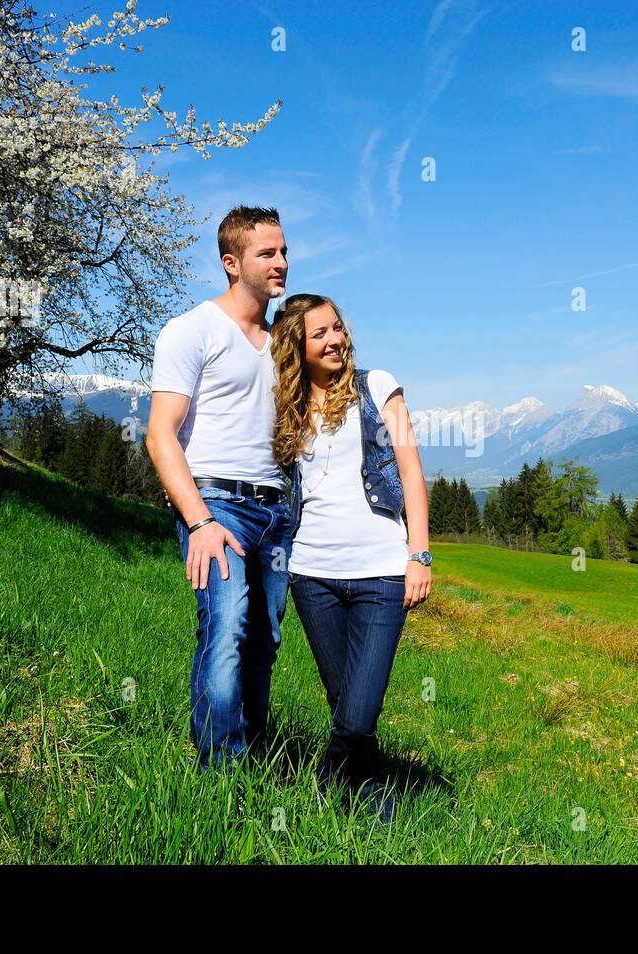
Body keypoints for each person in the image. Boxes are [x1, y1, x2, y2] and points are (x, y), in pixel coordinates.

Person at [269, 293, 432, 823]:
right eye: (320, 334)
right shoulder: (284, 405)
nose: (335, 340)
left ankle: (320, 788)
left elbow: (410, 471)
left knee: (359, 714)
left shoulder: (376, 387)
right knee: (344, 706)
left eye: (337, 328)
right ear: (297, 345)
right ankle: (375, 799)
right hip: (311, 574)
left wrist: (420, 554)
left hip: (381, 572)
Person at [146, 205, 291, 773]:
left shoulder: (283, 342)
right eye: (267, 253)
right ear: (232, 263)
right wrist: (200, 521)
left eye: (283, 251)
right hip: (219, 507)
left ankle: (249, 758)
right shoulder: (191, 330)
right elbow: (160, 436)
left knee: (265, 642)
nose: (282, 262)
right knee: (226, 629)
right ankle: (218, 779)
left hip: (278, 511)